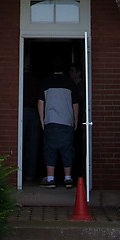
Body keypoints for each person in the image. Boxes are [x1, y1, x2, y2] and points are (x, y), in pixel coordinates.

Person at [38, 57, 79, 189]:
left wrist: (42, 119)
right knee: (67, 150)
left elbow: (40, 102)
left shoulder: (46, 83)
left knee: (50, 150)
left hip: (51, 120)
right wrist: (76, 120)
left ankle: (50, 179)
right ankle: (68, 178)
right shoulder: (70, 83)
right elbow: (75, 103)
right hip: (67, 122)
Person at [22, 65, 41, 183]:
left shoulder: (20, 78)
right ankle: (30, 174)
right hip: (34, 112)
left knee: (21, 143)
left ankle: (21, 172)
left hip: (22, 111)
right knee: (33, 145)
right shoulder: (37, 81)